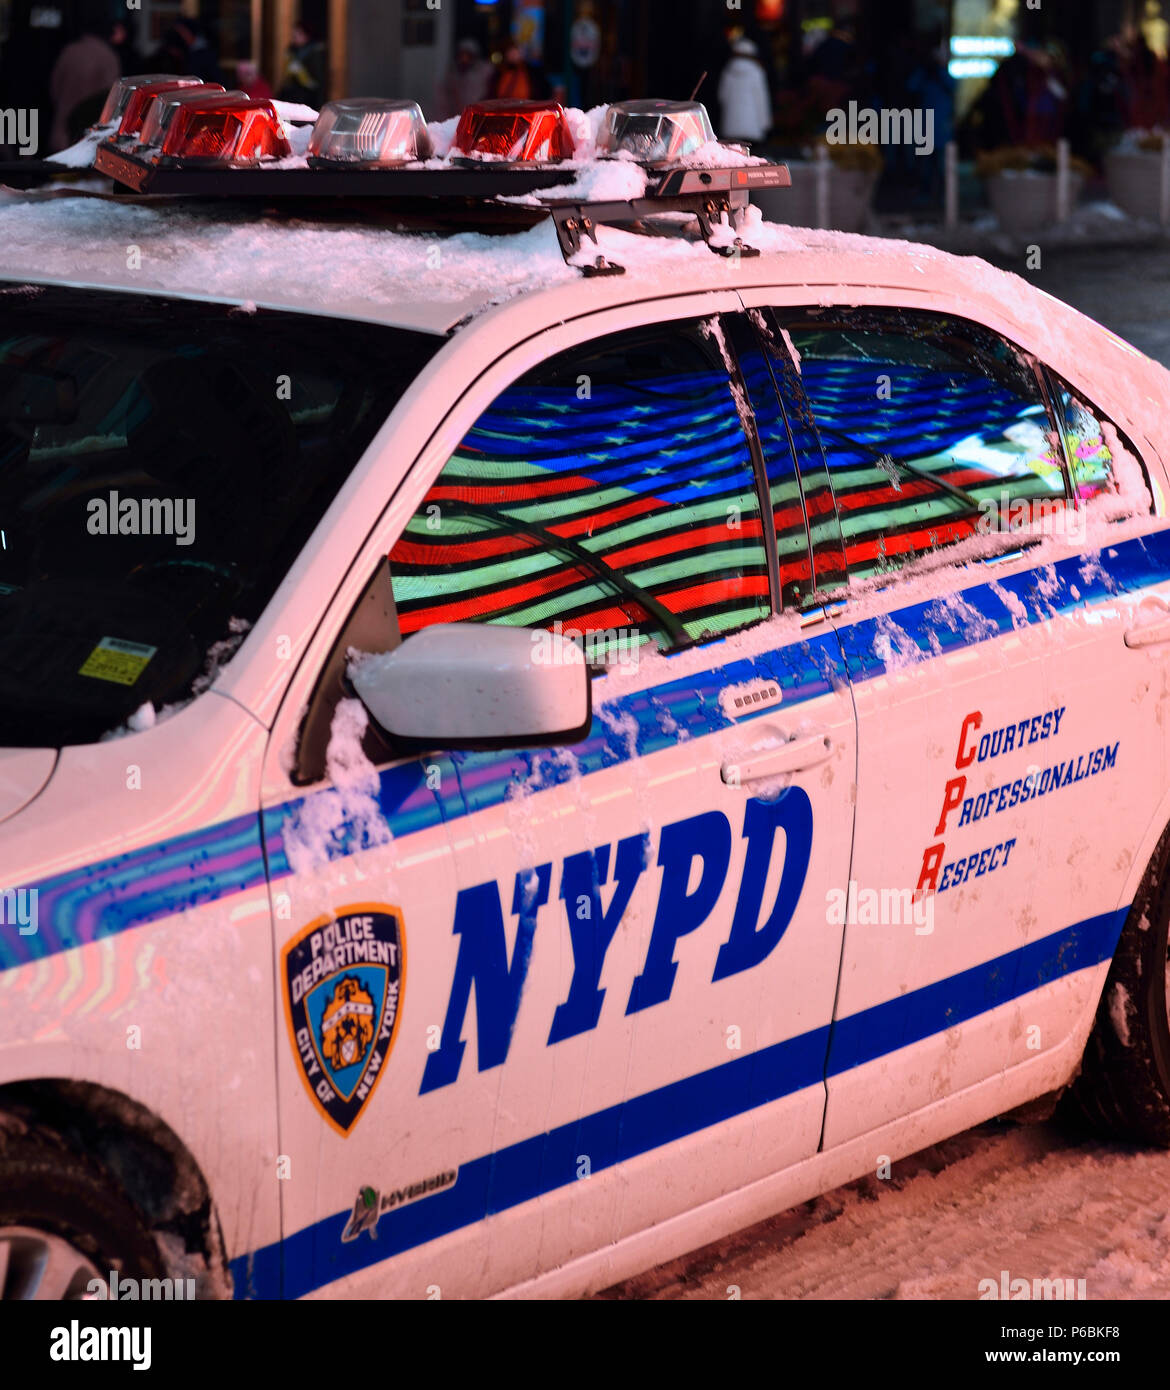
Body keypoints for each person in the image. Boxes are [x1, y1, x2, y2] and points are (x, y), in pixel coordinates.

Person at [48, 12, 121, 151]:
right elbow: (111, 99)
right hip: (91, 136)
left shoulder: (69, 51)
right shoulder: (108, 56)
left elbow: (54, 88)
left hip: (61, 131)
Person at [717, 36, 771, 145]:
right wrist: (765, 124)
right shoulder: (757, 71)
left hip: (730, 126)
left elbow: (721, 96)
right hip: (753, 126)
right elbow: (761, 99)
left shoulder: (728, 71)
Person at [435, 38, 493, 121]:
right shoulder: (452, 74)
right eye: (462, 55)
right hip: (459, 116)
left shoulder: (484, 71)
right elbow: (445, 99)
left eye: (468, 55)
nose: (464, 58)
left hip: (479, 115)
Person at [279, 21, 327, 106]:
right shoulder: (292, 50)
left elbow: (316, 82)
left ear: (307, 35)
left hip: (309, 98)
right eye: (294, 35)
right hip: (293, 96)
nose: (295, 37)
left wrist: (300, 72)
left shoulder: (315, 52)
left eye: (299, 34)